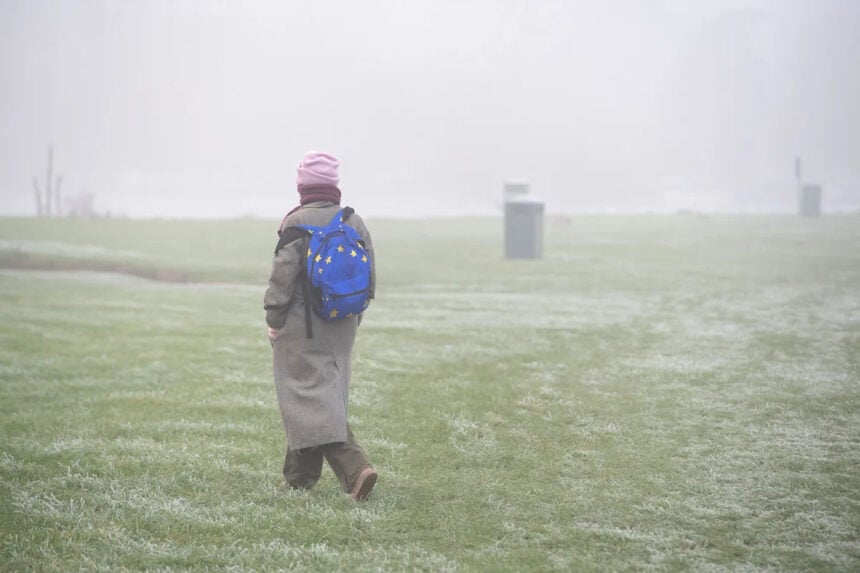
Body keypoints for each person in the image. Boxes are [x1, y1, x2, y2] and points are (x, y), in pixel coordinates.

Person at [263, 150, 377, 500]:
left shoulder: (297, 223)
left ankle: (356, 468)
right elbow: (369, 278)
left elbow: (281, 279)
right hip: (342, 324)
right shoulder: (353, 220)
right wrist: (353, 317)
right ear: (334, 184)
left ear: (302, 184)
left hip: (303, 326)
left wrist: (274, 319)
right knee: (317, 395)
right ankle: (299, 478)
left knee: (307, 397)